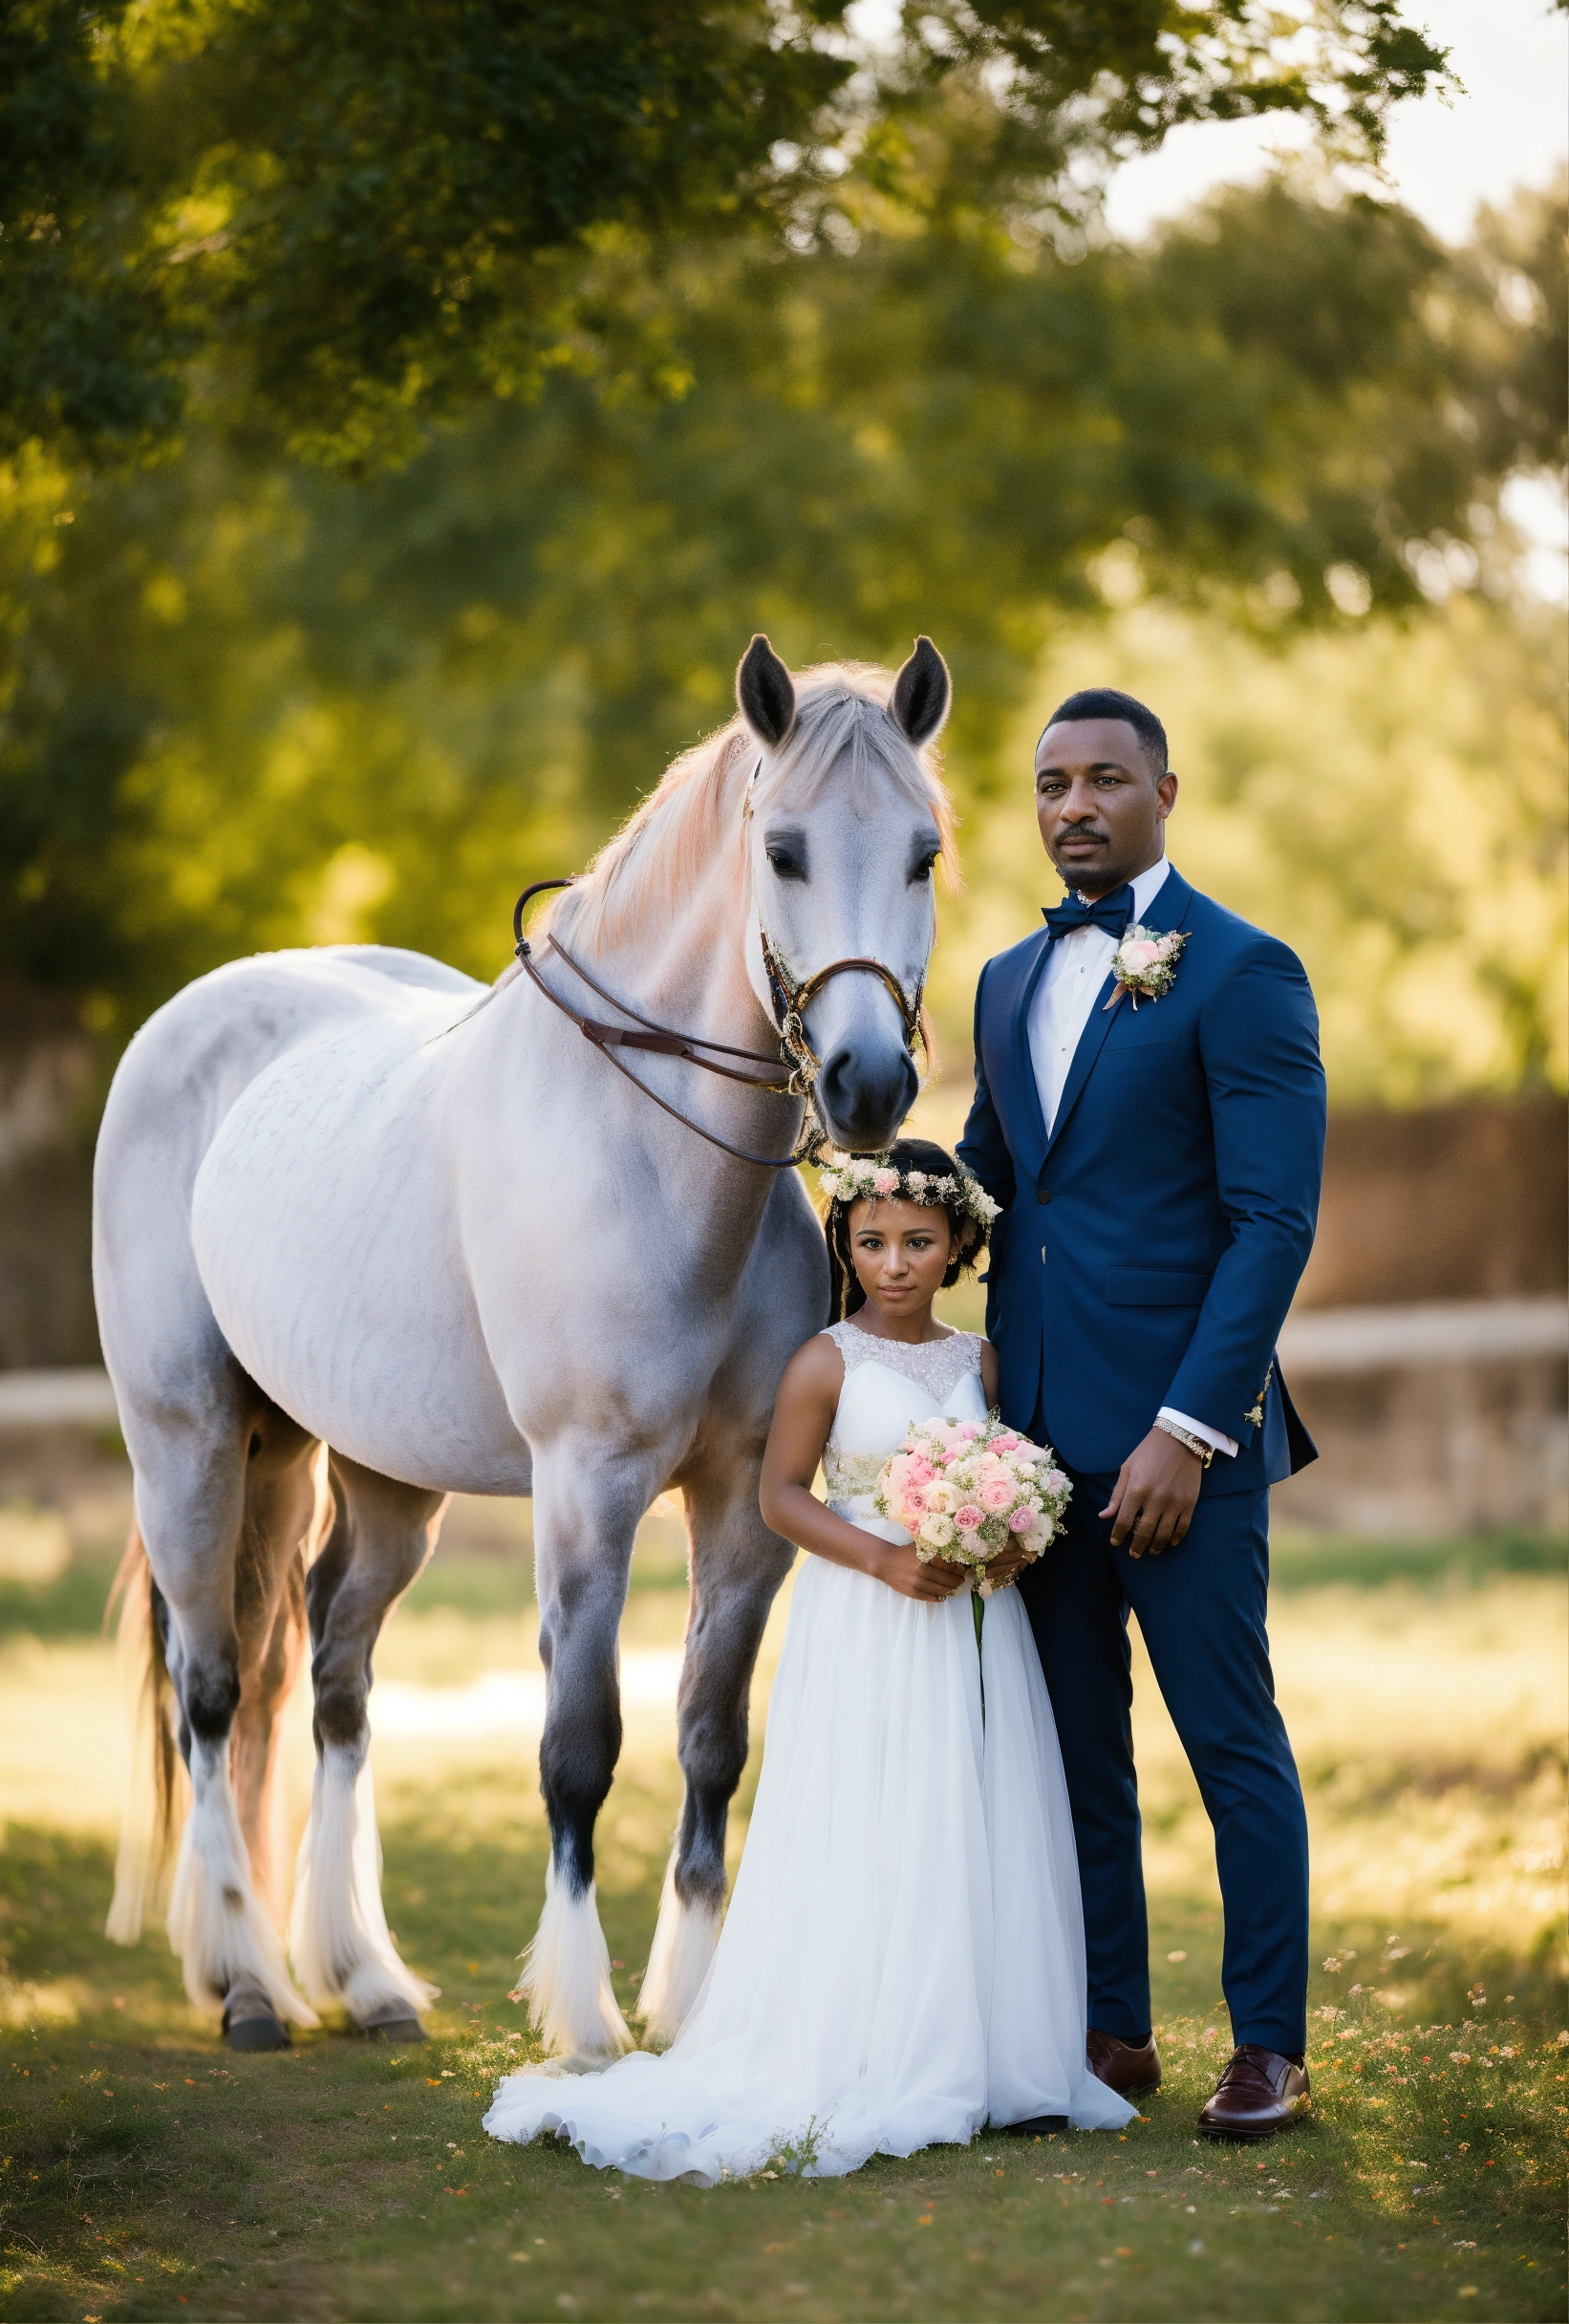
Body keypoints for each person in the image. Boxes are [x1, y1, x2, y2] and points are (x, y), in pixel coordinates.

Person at [483, 1135, 1135, 2183]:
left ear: (958, 1244)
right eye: (871, 1240)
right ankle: (865, 2034)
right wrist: (882, 1555)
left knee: (971, 1804)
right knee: (871, 1807)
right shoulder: (823, 1358)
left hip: (971, 1617)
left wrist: (1008, 1529)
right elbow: (781, 1494)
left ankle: (988, 2047)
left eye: (917, 1240)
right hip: (866, 1609)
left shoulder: (979, 1360)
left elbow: (1007, 1463)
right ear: (845, 1243)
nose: (892, 1261)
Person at [958, 685, 1326, 2141]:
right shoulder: (1000, 981)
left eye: (1106, 779)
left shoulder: (1242, 970)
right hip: (1033, 1451)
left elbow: (1273, 1223)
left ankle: (1271, 2048)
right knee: (1075, 1755)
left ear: (1167, 790)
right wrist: (863, 1192)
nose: (1073, 807)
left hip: (1185, 1447)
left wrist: (1191, 1427)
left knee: (1231, 1746)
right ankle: (1111, 2029)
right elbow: (994, 1189)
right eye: (1052, 783)